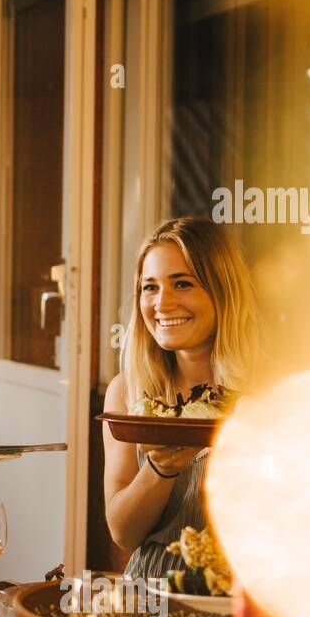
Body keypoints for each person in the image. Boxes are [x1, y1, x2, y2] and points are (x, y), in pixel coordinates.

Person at [102, 217, 259, 577]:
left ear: (223, 291)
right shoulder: (128, 391)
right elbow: (124, 532)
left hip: (243, 602)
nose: (162, 303)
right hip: (152, 598)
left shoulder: (269, 390)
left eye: (183, 284)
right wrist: (161, 468)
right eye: (150, 287)